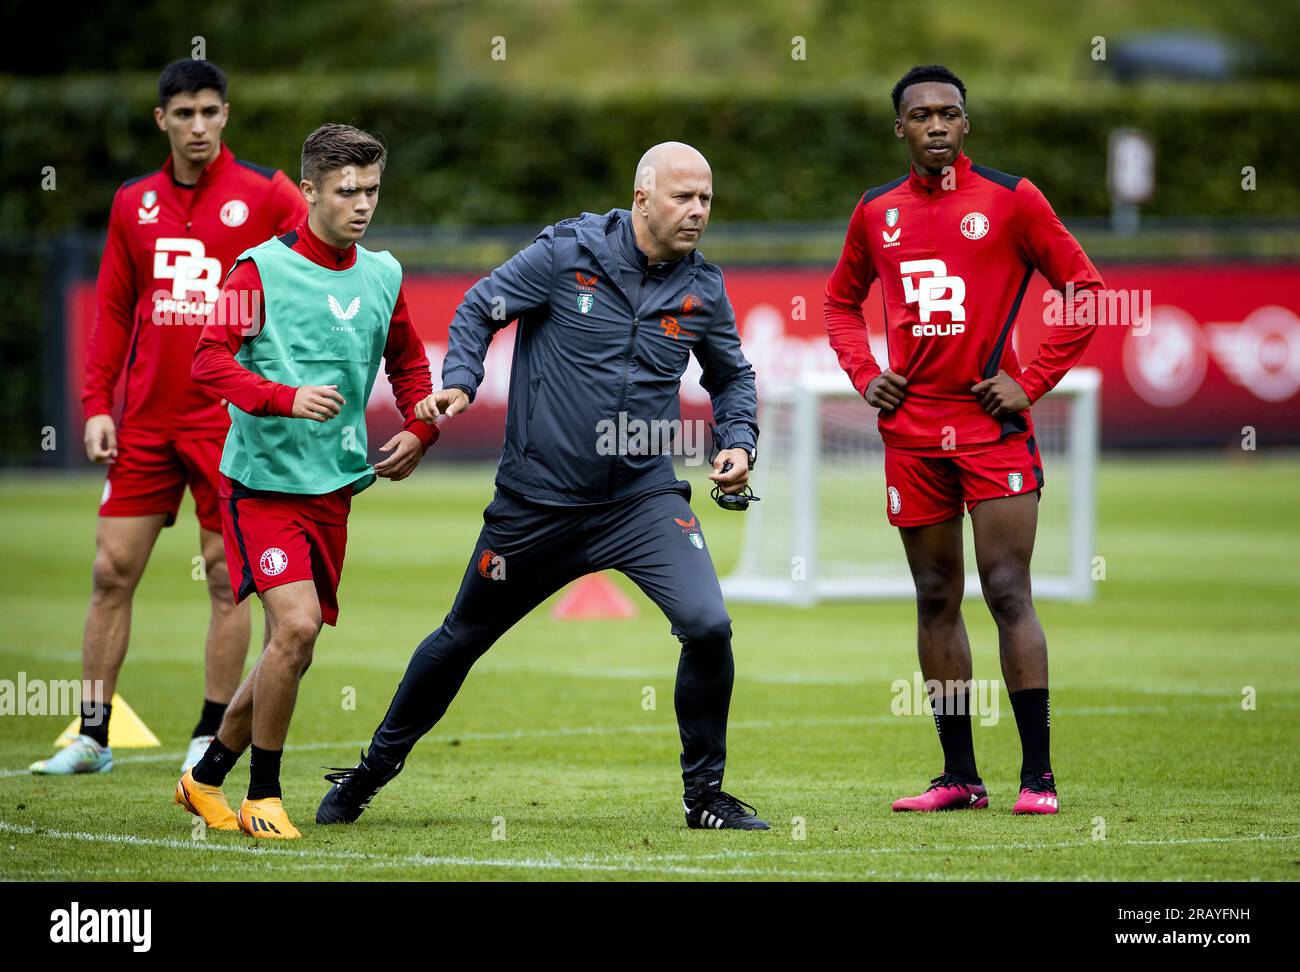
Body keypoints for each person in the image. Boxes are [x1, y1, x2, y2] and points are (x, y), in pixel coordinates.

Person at [316, 141, 771, 831]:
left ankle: (704, 797)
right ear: (643, 197)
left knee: (708, 624)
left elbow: (732, 376)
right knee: (461, 637)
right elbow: (477, 308)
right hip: (537, 507)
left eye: (707, 198)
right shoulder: (566, 253)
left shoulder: (702, 287)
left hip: (641, 501)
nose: (699, 211)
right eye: (684, 197)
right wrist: (463, 379)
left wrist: (738, 442)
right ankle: (372, 771)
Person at [823, 65, 1104, 815]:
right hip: (911, 434)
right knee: (935, 595)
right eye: (922, 116)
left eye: (950, 113)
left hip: (992, 429)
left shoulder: (1013, 200)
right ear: (902, 130)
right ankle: (959, 778)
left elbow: (1083, 290)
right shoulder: (875, 212)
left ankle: (1038, 779)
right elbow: (840, 303)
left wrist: (1032, 380)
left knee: (1008, 590)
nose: (937, 125)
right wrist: (863, 371)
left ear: (966, 126)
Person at [31, 59, 306, 777]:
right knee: (110, 570)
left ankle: (207, 734)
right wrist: (97, 406)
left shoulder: (269, 195)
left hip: (226, 424)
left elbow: (314, 268)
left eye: (210, 112)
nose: (198, 127)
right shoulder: (134, 203)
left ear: (226, 114)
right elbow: (114, 311)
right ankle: (92, 737)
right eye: (184, 114)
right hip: (146, 422)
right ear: (163, 120)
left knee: (224, 577)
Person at [176, 124, 438, 838]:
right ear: (311, 190)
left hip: (333, 489)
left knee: (293, 648)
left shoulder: (383, 274)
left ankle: (202, 780)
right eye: (346, 190)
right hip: (260, 484)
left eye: (372, 190)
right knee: (293, 627)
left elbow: (410, 367)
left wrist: (422, 429)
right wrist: (281, 395)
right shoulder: (257, 269)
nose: (361, 204)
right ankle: (264, 794)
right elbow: (208, 360)